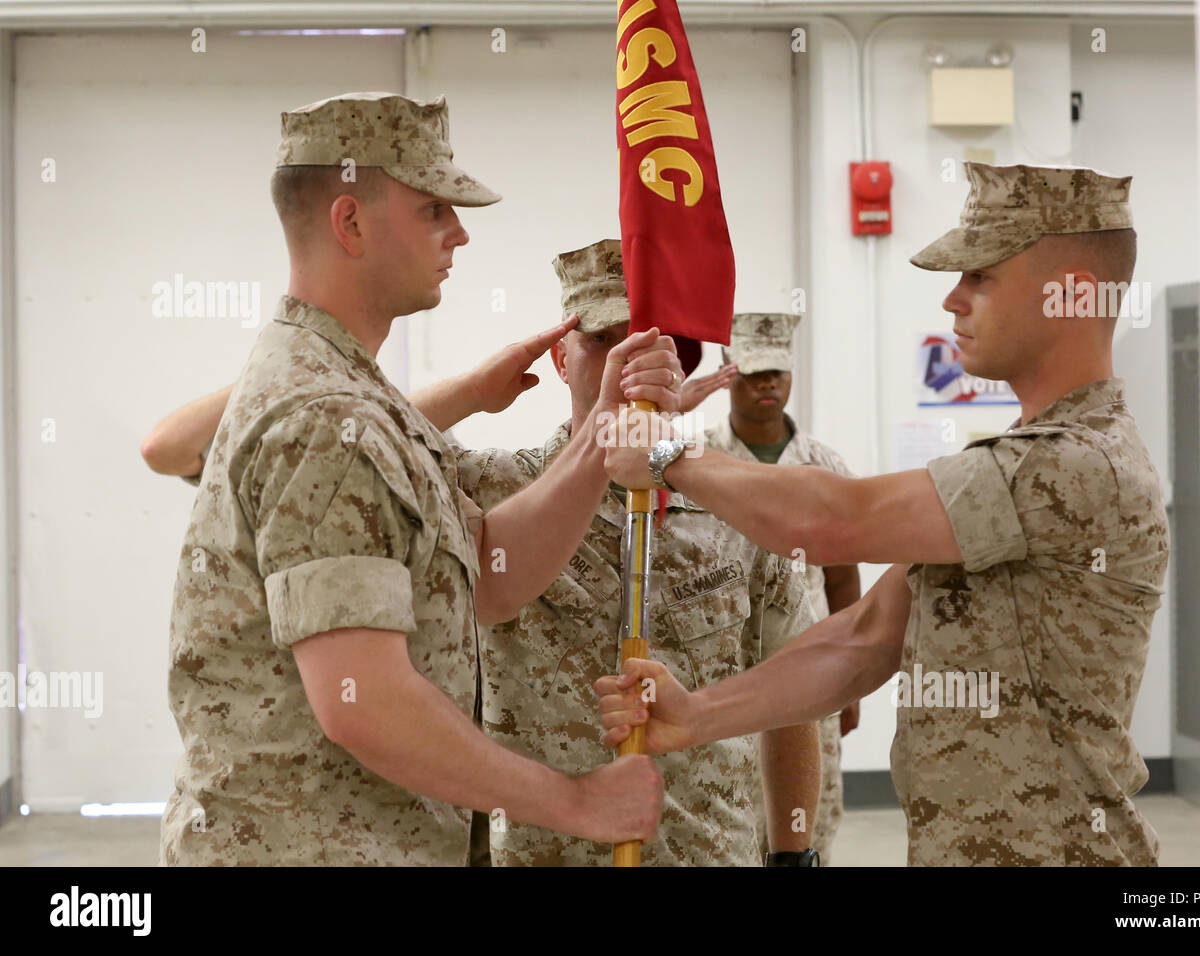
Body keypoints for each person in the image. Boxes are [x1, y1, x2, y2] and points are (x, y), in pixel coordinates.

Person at [597, 162, 1171, 866]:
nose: (953, 301)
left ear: (1073, 296)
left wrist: (667, 456)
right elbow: (865, 639)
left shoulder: (1081, 462)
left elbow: (836, 521)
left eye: (981, 277)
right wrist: (697, 716)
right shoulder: (1020, 462)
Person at [158, 92, 674, 865]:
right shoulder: (324, 419)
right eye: (434, 209)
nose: (459, 233)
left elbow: (491, 577)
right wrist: (576, 800)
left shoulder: (362, 402)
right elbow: (365, 707)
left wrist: (600, 433)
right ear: (350, 223)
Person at [457, 240, 820, 866]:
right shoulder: (493, 492)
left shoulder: (739, 502)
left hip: (706, 854)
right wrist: (469, 390)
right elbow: (340, 443)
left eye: (649, 346)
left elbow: (790, 693)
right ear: (560, 359)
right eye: (603, 342)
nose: (627, 365)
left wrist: (794, 855)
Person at [702, 312, 862, 865]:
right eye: (754, 372)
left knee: (809, 820)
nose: (767, 384)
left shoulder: (822, 466)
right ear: (728, 371)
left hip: (811, 662)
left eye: (778, 373)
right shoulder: (699, 461)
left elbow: (842, 575)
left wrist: (853, 678)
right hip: (726, 669)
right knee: (727, 811)